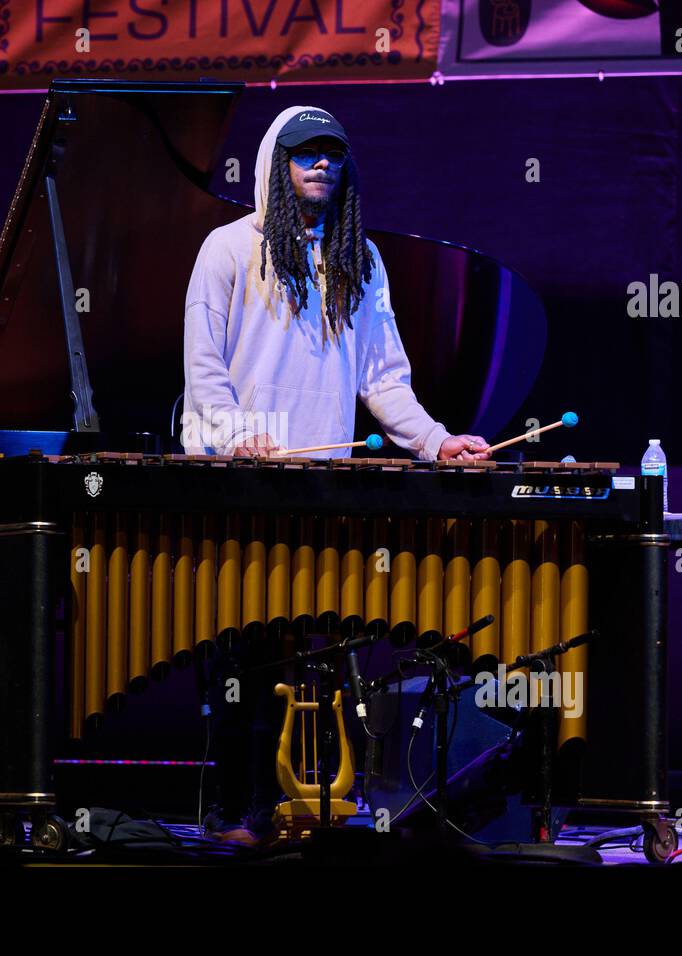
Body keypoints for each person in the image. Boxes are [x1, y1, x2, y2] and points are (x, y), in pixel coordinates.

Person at [182, 107, 494, 841]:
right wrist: (234, 438)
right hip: (244, 487)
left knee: (314, 660)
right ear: (275, 164)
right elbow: (204, 373)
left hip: (321, 492)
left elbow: (384, 380)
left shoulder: (361, 259)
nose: (321, 165)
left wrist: (435, 442)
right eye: (305, 154)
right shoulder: (226, 250)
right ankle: (234, 812)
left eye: (332, 155)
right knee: (245, 664)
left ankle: (310, 811)